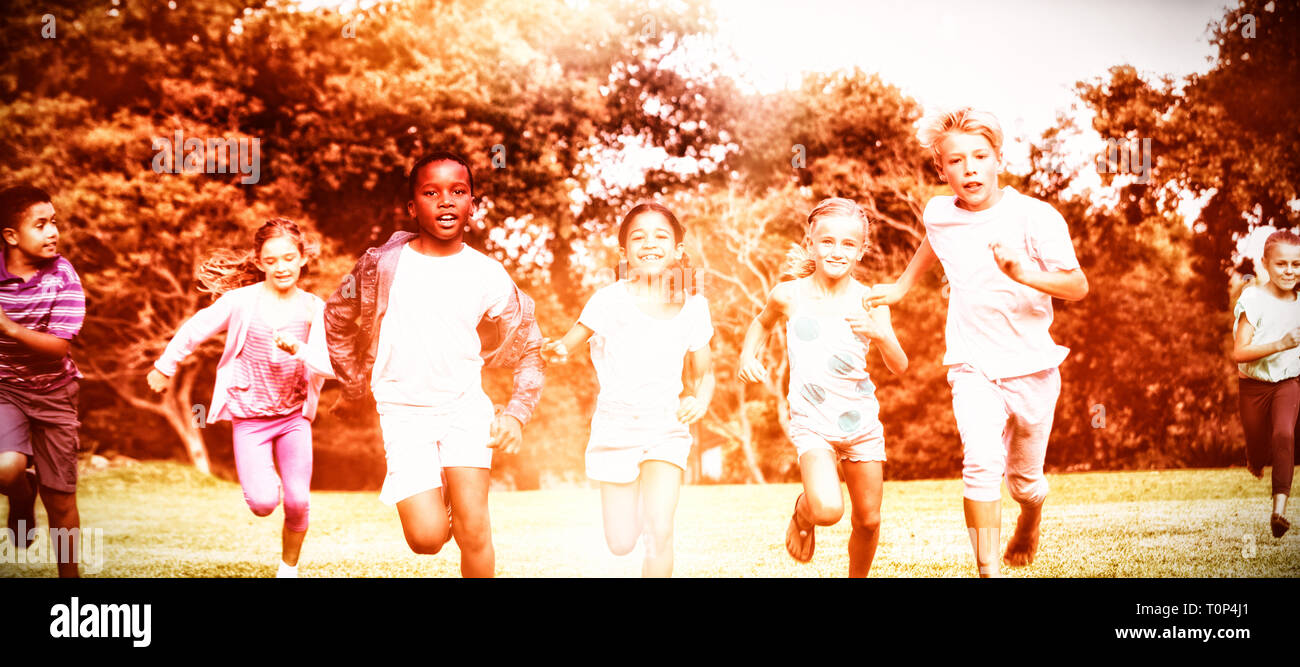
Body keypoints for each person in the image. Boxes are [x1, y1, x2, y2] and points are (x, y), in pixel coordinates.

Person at [866, 108, 1089, 577]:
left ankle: (1030, 517)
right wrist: (904, 286)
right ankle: (988, 571)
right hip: (973, 366)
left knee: (1025, 484)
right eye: (956, 160)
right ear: (941, 169)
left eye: (979, 156)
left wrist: (1023, 272)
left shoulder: (1035, 217)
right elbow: (934, 238)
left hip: (1032, 368)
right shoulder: (939, 212)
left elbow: (1077, 286)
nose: (969, 168)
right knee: (981, 462)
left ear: (998, 159)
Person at [324, 151, 543, 577]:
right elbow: (335, 316)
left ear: (472, 205)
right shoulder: (381, 265)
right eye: (431, 192)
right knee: (425, 540)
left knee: (474, 529)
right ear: (412, 207)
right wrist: (353, 388)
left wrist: (516, 413)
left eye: (458, 192)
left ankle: (462, 503)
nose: (446, 201)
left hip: (464, 408)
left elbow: (530, 344)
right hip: (402, 411)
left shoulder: (486, 273)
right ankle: (445, 497)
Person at [149, 218, 335, 577]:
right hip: (250, 418)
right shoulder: (241, 302)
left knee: (298, 500)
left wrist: (299, 349)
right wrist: (164, 365)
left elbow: (330, 367)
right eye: (271, 260)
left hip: (294, 417)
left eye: (288, 258)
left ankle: (288, 569)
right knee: (264, 503)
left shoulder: (315, 308)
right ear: (259, 261)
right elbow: (195, 329)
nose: (281, 267)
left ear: (302, 258)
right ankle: (267, 480)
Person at [542, 202, 714, 577]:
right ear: (624, 253)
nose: (649, 243)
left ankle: (653, 506)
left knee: (660, 532)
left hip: (666, 429)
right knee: (620, 543)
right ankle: (637, 503)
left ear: (678, 250)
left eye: (660, 236)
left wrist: (699, 400)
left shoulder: (695, 306)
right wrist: (555, 350)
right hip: (615, 428)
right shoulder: (609, 299)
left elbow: (704, 373)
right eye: (638, 237)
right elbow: (569, 343)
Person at [738, 197, 908, 577]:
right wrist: (748, 356)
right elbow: (762, 324)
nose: (837, 250)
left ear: (862, 250)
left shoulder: (871, 300)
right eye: (827, 241)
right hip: (812, 421)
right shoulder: (788, 294)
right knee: (829, 510)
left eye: (849, 244)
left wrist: (880, 335)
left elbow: (899, 366)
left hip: (860, 423)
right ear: (810, 243)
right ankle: (804, 510)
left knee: (868, 520)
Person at [0, 185, 87, 578]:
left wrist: (8, 328)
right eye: (41, 225)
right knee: (5, 470)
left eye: (54, 222)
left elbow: (58, 348)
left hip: (55, 393)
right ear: (11, 236)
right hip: (6, 389)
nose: (53, 231)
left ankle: (70, 584)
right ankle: (20, 498)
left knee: (61, 500)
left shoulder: (63, 276)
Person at [1231, 230, 1300, 538]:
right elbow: (1239, 352)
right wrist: (1280, 343)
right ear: (1265, 264)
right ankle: (1255, 457)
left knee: (1284, 434)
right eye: (1281, 264)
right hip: (1253, 388)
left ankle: (1279, 512)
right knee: (1259, 451)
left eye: (1296, 264)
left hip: (1287, 383)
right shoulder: (1253, 300)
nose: (1289, 271)